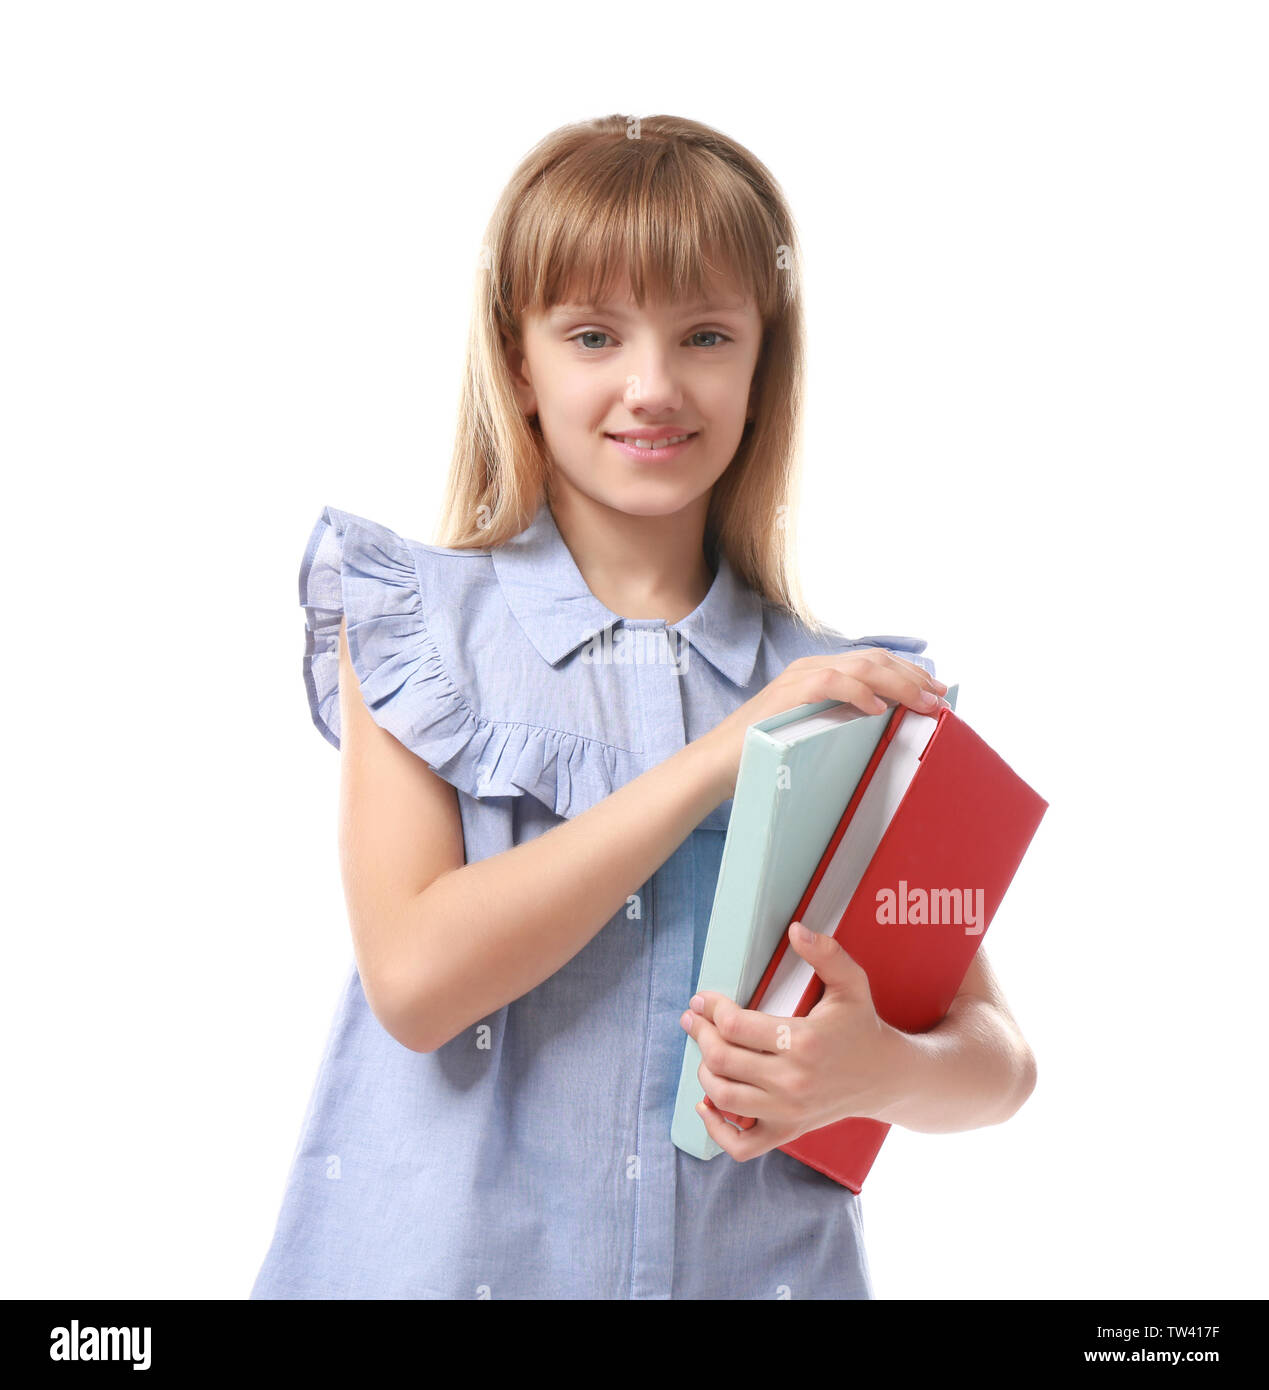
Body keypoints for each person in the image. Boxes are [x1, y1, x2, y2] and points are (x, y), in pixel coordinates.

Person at [249, 113, 1036, 1301]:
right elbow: (415, 980)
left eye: (707, 334)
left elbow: (1000, 1060)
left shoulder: (842, 685)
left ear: (764, 364)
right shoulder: (417, 626)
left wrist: (869, 1070)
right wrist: (724, 754)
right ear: (519, 359)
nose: (652, 387)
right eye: (593, 334)